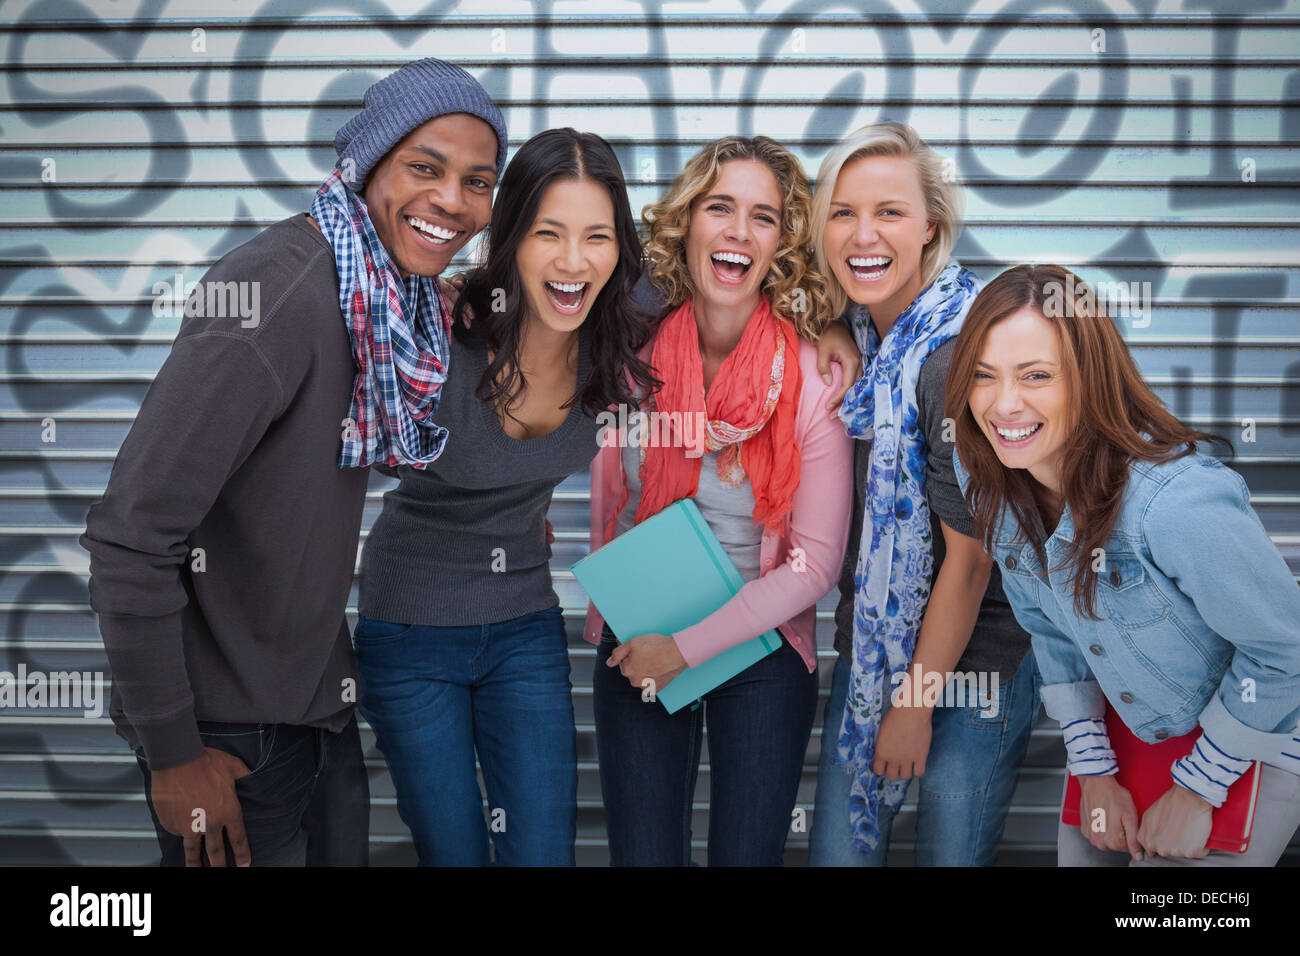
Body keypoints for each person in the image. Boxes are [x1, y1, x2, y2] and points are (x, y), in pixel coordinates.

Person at [79, 57, 507, 866]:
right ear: (367, 162)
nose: (453, 201)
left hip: (313, 715)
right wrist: (173, 753)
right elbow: (130, 540)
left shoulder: (386, 297)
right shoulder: (278, 294)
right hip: (227, 740)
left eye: (478, 181)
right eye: (425, 167)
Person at [354, 127, 660, 866]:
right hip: (409, 626)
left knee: (543, 850)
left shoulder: (624, 323)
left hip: (522, 620)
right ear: (510, 235)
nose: (572, 260)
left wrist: (834, 339)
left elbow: (742, 281)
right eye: (547, 232)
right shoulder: (438, 327)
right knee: (455, 851)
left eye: (596, 236)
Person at [946, 262, 1300, 866]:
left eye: (1036, 375)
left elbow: (1286, 651)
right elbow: (1051, 629)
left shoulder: (1176, 502)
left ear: (1088, 379)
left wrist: (1196, 790)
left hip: (1255, 739)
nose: (1004, 405)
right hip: (1128, 739)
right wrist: (1093, 772)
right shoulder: (992, 478)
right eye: (983, 376)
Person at [585, 135, 855, 866]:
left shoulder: (812, 375)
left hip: (764, 646)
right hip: (645, 622)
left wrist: (689, 649)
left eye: (763, 217)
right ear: (688, 224)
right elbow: (536, 311)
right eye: (720, 207)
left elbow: (816, 564)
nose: (738, 230)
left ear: (781, 244)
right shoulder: (627, 349)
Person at [807, 121, 1041, 866]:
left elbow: (971, 563)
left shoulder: (953, 360)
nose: (862, 234)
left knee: (947, 846)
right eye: (842, 212)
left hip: (983, 649)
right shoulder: (858, 334)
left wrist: (912, 707)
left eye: (890, 212)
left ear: (931, 226)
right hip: (876, 639)